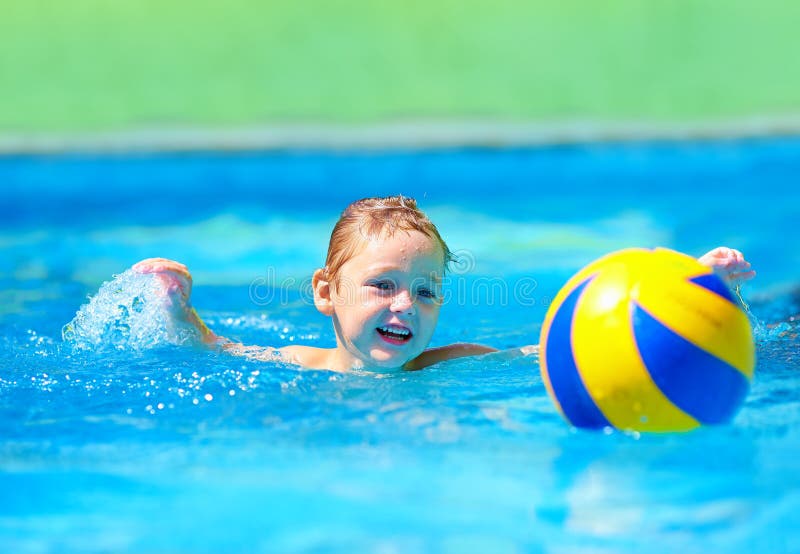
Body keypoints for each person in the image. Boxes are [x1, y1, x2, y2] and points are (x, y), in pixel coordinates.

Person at [132, 195, 755, 373]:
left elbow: (574, 346)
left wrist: (687, 291)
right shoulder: (300, 362)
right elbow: (210, 350)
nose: (407, 304)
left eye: (426, 291)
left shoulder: (451, 362)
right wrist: (175, 306)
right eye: (383, 285)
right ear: (325, 292)